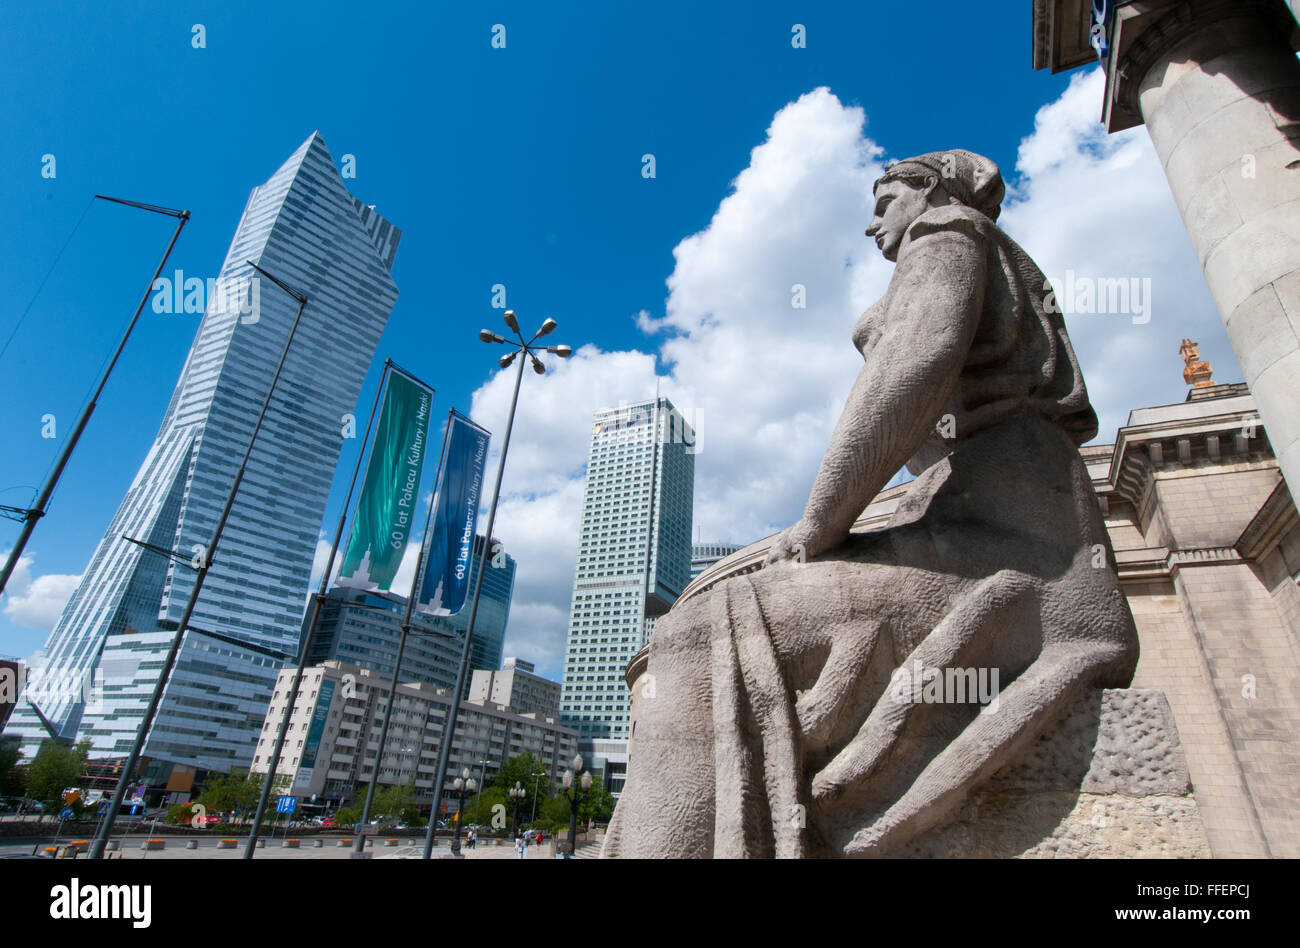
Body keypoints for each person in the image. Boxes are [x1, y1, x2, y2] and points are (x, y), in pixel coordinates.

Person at [603, 149, 1139, 859]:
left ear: (932, 190)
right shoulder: (973, 257)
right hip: (986, 540)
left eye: (885, 200)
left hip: (1027, 568)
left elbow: (915, 366)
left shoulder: (948, 232)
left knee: (695, 637)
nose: (872, 223)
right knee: (707, 618)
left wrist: (821, 523)